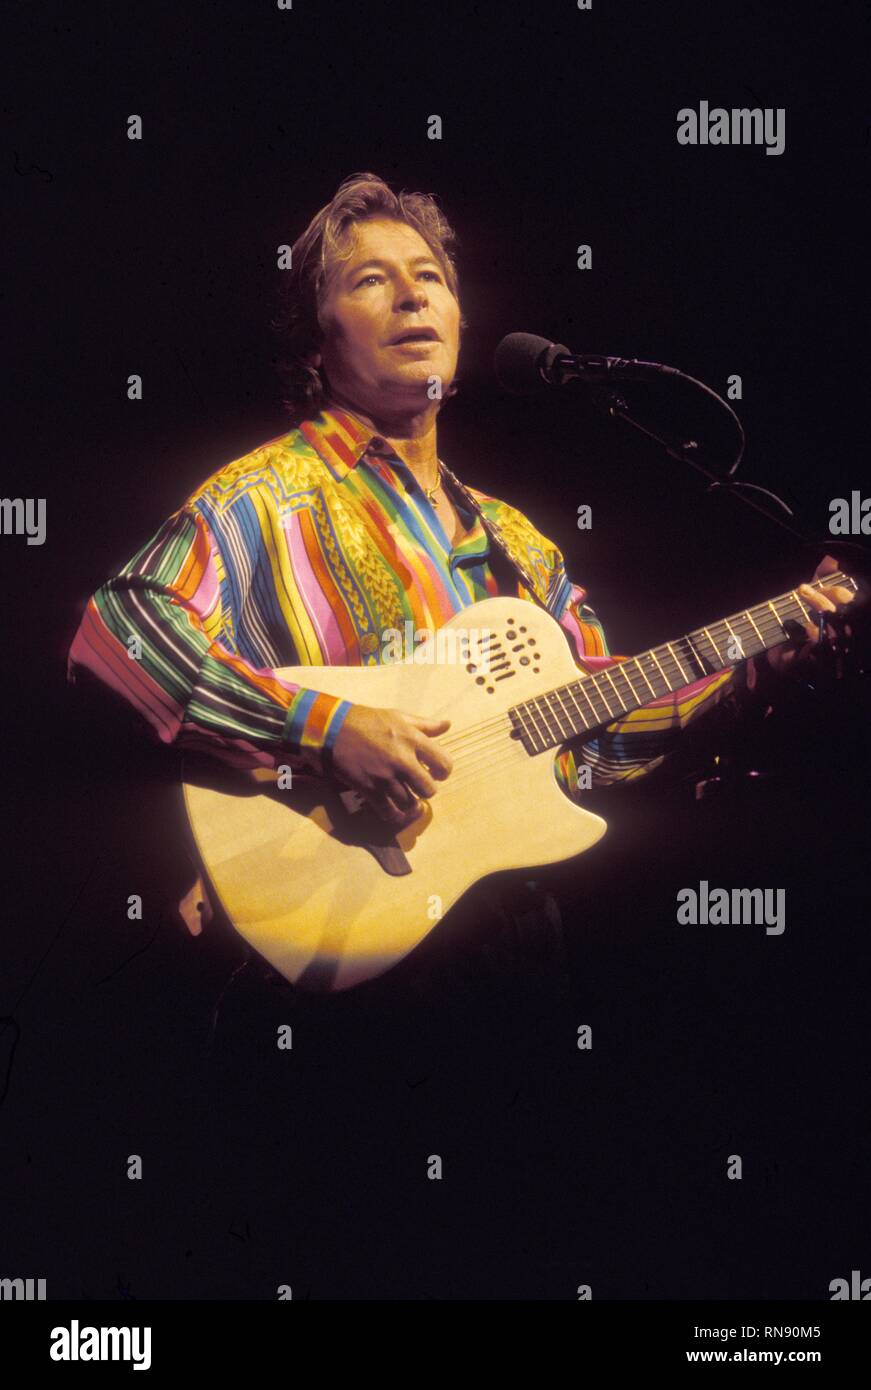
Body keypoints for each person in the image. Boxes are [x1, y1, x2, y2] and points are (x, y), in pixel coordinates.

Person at [65, 171, 853, 1012]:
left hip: (513, 950)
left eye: (431, 277)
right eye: (371, 280)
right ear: (310, 343)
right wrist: (322, 726)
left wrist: (746, 668)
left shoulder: (515, 539)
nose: (412, 295)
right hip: (333, 944)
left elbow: (593, 736)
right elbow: (116, 631)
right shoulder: (263, 496)